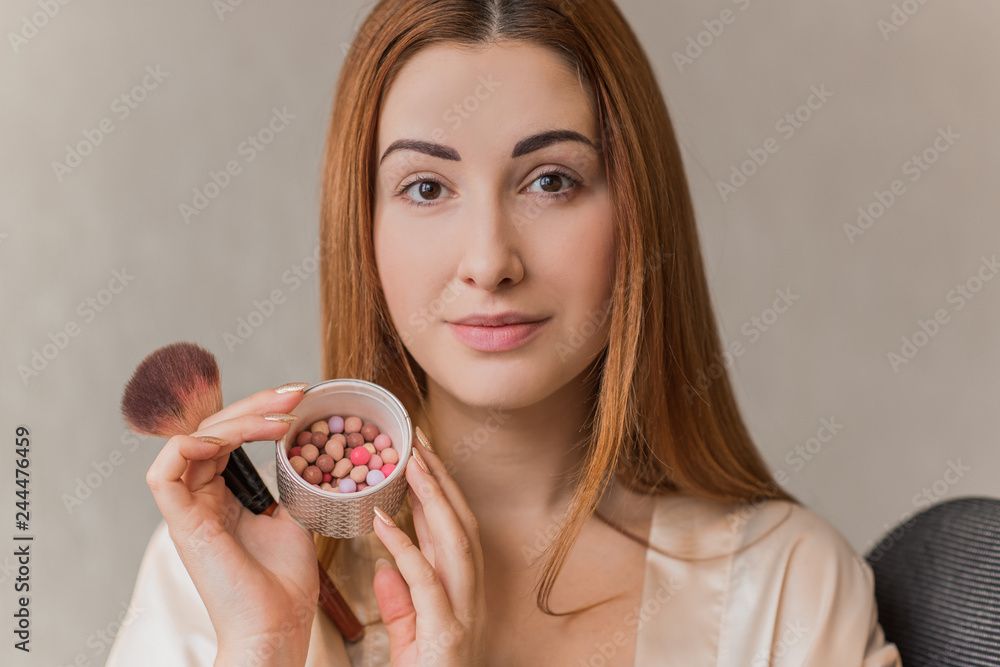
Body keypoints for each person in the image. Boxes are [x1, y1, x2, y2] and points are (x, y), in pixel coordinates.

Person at [107, 0, 904, 665]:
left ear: (636, 210)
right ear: (365, 230)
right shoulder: (217, 578)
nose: (489, 260)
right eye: (426, 186)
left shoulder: (784, 589)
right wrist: (261, 644)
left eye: (551, 180)